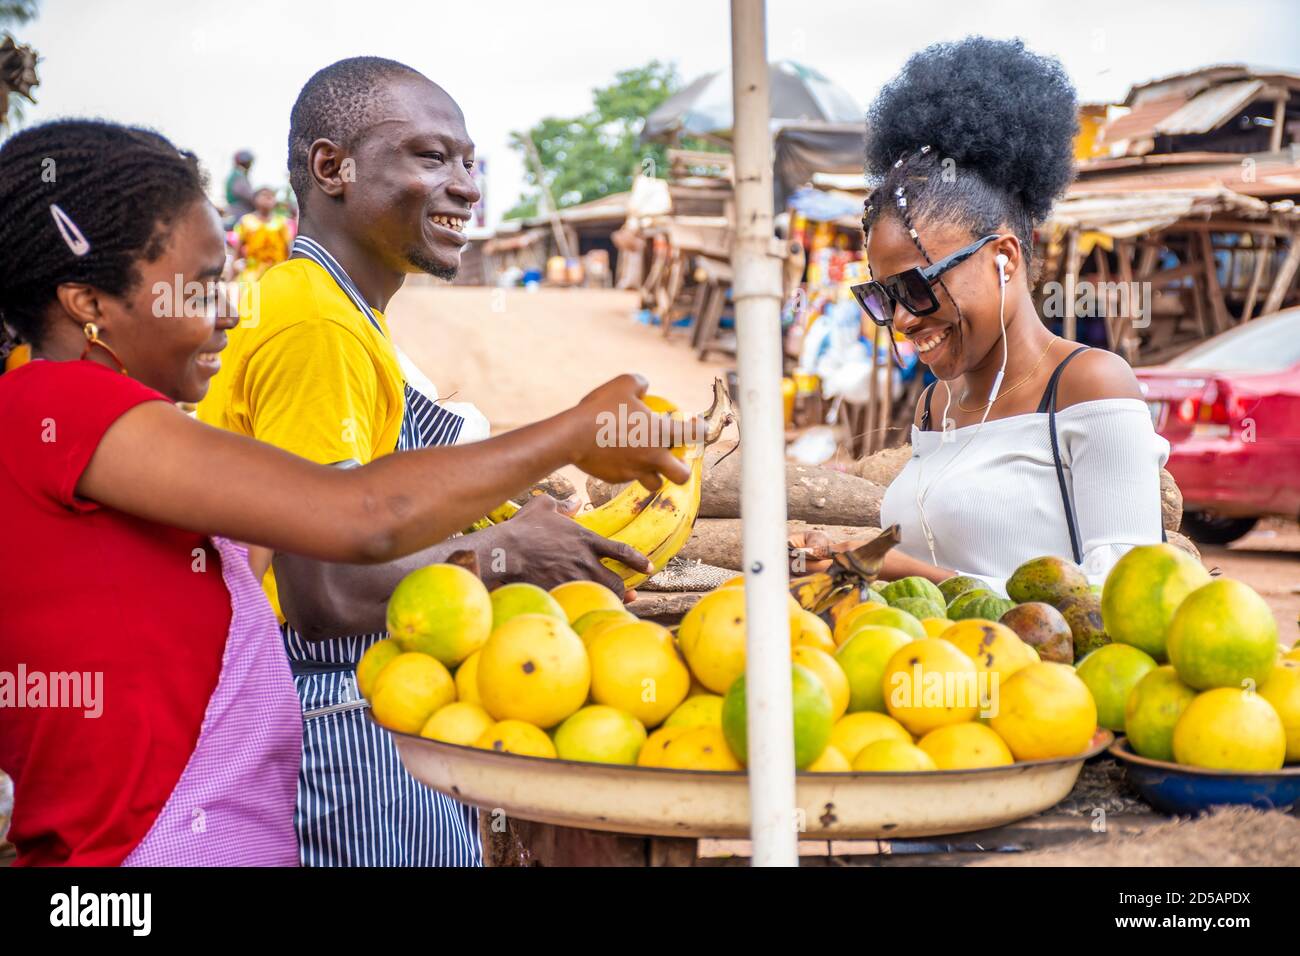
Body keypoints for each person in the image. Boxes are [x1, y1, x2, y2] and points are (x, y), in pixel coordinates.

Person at [0, 119, 688, 867]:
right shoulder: (52, 408)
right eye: (201, 288)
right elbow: (356, 515)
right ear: (88, 304)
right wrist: (569, 434)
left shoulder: (131, 439)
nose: (231, 308)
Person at [197, 57, 663, 867]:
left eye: (469, 161)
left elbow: (376, 512)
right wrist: (509, 555)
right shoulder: (316, 324)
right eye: (430, 156)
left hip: (374, 716)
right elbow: (325, 590)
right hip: (339, 728)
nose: (467, 187)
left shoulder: (348, 315)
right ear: (331, 168)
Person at [851, 37, 1167, 594]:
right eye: (884, 296)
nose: (901, 320)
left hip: (1045, 682)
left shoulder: (1087, 385)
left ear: (1004, 257)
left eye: (918, 288)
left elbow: (1126, 599)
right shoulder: (935, 403)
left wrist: (909, 573)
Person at [232, 187, 293, 284]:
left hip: (277, 274)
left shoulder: (282, 222)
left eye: (271, 196)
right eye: (264, 195)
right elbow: (237, 250)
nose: (268, 198)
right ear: (255, 200)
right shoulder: (246, 221)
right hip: (252, 276)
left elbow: (288, 250)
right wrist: (234, 268)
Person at [224, 148, 255, 225]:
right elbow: (248, 196)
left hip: (235, 211)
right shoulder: (238, 175)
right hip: (239, 212)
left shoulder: (235, 174)